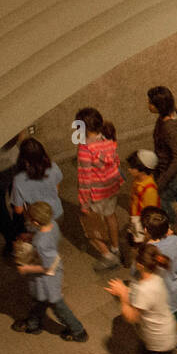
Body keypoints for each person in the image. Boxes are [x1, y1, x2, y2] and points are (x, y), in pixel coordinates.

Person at [11, 201, 87, 341]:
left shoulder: (41, 243)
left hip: (47, 281)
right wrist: (31, 238)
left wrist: (26, 268)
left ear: (35, 222)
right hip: (51, 276)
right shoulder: (53, 224)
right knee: (40, 301)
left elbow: (47, 266)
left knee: (57, 305)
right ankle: (33, 324)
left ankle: (78, 331)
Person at [75, 107, 123, 270]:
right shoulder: (108, 138)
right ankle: (115, 249)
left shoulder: (85, 149)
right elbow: (116, 161)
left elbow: (85, 179)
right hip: (111, 188)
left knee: (90, 228)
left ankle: (107, 256)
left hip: (95, 194)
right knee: (111, 216)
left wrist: (83, 203)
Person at [143, 206, 177, 354]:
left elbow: (141, 273)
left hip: (158, 297)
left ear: (146, 230)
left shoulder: (147, 251)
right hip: (176, 292)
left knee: (160, 324)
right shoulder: (175, 240)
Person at [147, 85, 177, 237]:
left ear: (158, 106)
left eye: (150, 102)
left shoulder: (169, 128)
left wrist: (162, 180)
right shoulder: (175, 114)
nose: (148, 104)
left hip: (172, 170)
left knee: (161, 199)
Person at [11, 137, 64, 231]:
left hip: (37, 220)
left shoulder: (18, 180)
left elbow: (18, 210)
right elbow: (57, 189)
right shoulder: (53, 167)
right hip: (57, 212)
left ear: (24, 159)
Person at [125, 150, 160, 250]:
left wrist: (146, 233)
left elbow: (151, 215)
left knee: (141, 245)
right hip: (136, 218)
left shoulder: (149, 190)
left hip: (143, 223)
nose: (129, 169)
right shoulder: (138, 181)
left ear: (142, 170)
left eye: (132, 168)